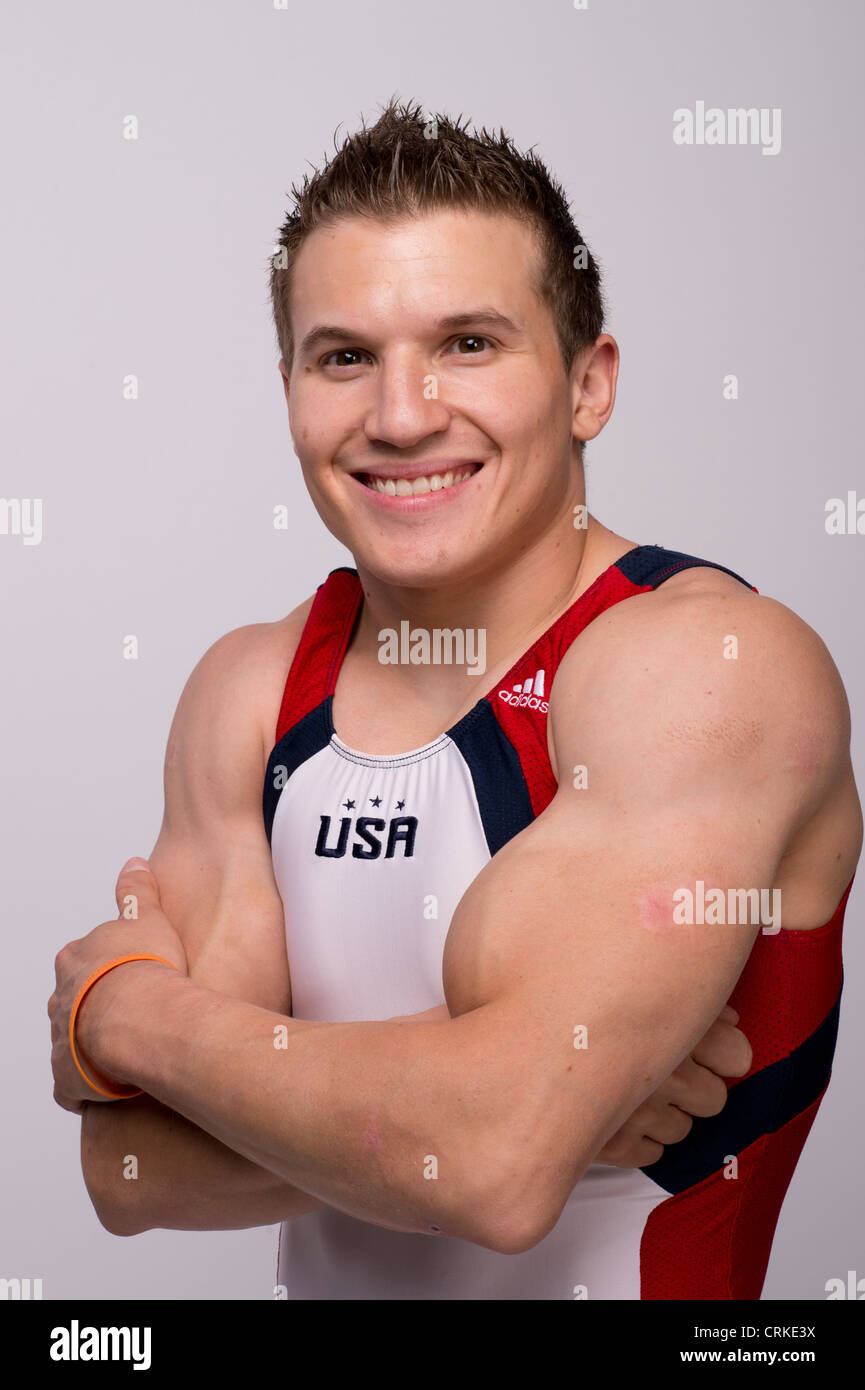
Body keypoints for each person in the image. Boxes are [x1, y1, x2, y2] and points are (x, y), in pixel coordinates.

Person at [50, 98, 862, 1299]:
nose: (400, 413)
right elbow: (128, 1167)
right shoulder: (250, 692)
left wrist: (125, 1019)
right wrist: (485, 1106)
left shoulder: (711, 668)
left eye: (468, 343)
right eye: (345, 357)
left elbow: (487, 1163)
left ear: (589, 385)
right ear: (289, 390)